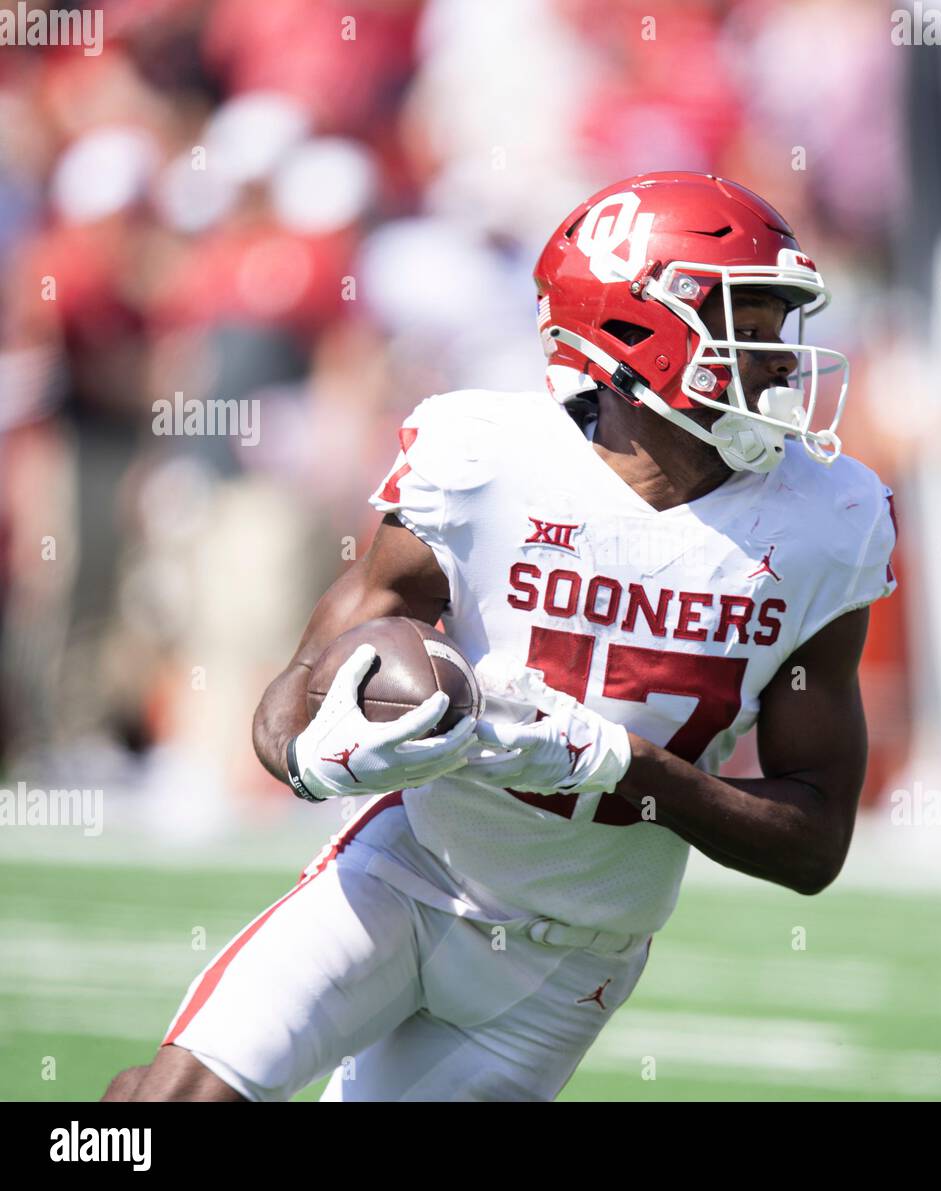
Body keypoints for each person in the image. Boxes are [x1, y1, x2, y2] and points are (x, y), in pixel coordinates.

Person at [103, 171, 897, 1102]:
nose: (780, 358)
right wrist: (312, 757)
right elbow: (297, 687)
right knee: (171, 1101)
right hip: (407, 872)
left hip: (566, 967)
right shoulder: (483, 459)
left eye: (779, 325)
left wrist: (618, 764)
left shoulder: (829, 519)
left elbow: (814, 843)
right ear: (639, 327)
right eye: (747, 321)